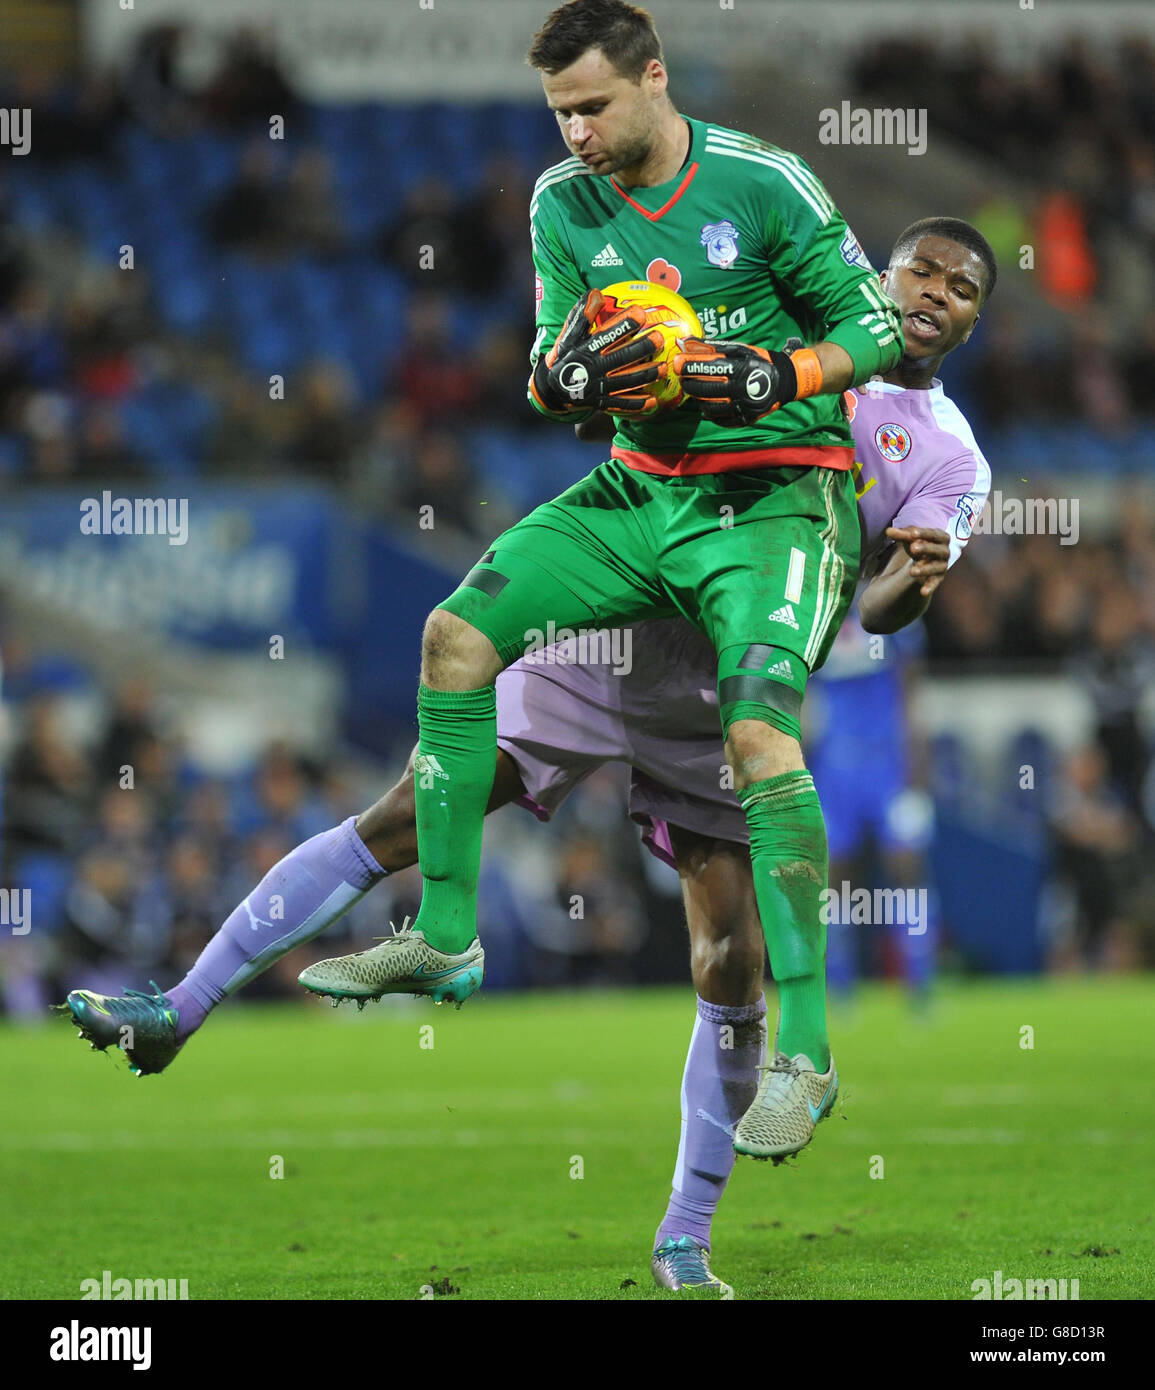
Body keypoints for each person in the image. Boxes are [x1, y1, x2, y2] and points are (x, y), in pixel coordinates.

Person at [66, 211, 996, 1296]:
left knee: (727, 956)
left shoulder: (950, 458)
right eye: (921, 269)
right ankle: (176, 1010)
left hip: (723, 696)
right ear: (881, 270)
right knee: (405, 817)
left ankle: (685, 1239)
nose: (934, 293)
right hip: (605, 642)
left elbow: (879, 610)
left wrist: (913, 579)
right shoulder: (794, 332)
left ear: (973, 320)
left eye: (962, 288)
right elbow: (642, 385)